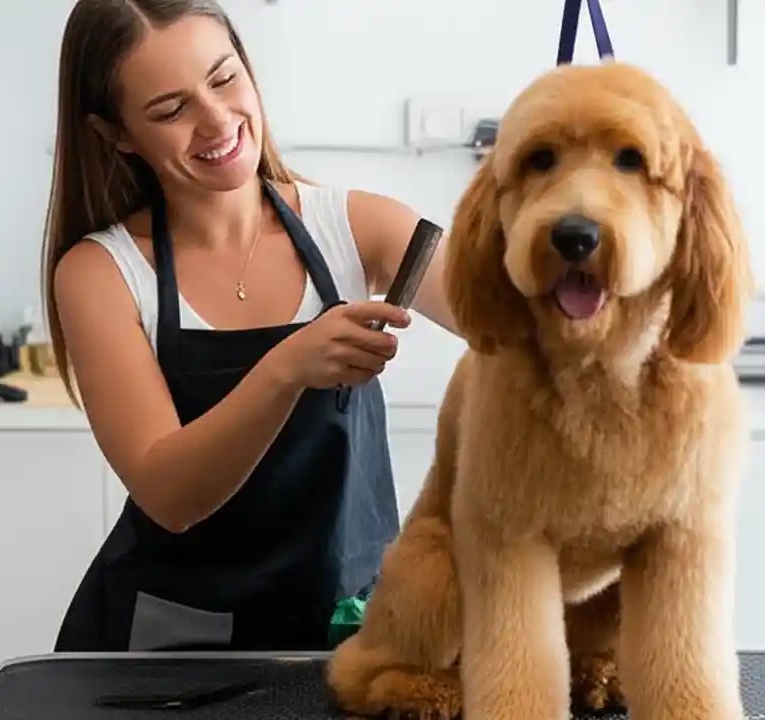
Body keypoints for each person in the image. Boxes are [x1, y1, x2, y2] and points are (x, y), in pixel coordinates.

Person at [42, 0, 458, 652]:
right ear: (117, 133)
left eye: (224, 77)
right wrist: (287, 369)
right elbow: (170, 496)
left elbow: (517, 320)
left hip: (345, 623)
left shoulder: (356, 227)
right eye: (170, 110)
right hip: (171, 644)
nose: (216, 120)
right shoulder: (101, 273)